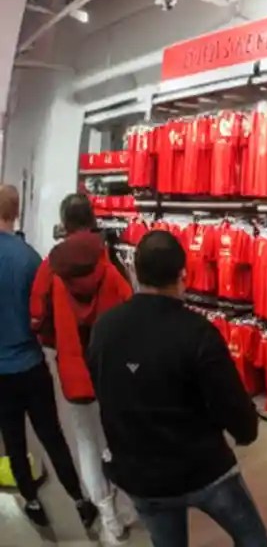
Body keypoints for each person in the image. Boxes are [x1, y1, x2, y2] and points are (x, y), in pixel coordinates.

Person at [87, 230, 267, 547]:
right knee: (252, 539)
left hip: (140, 474)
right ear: (183, 275)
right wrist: (246, 431)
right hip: (201, 468)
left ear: (134, 272)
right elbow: (232, 405)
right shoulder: (197, 333)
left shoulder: (104, 328)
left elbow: (104, 389)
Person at [29, 192, 134, 542]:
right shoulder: (109, 261)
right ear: (91, 219)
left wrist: (55, 339)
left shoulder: (51, 266)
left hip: (74, 371)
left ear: (64, 222)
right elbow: (131, 309)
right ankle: (126, 505)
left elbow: (37, 315)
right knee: (118, 436)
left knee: (87, 443)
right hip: (112, 369)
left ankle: (109, 519)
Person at [0, 185, 99, 531]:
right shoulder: (30, 259)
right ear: (16, 212)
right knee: (52, 434)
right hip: (30, 364)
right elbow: (42, 314)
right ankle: (80, 501)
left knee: (13, 438)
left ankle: (31, 500)